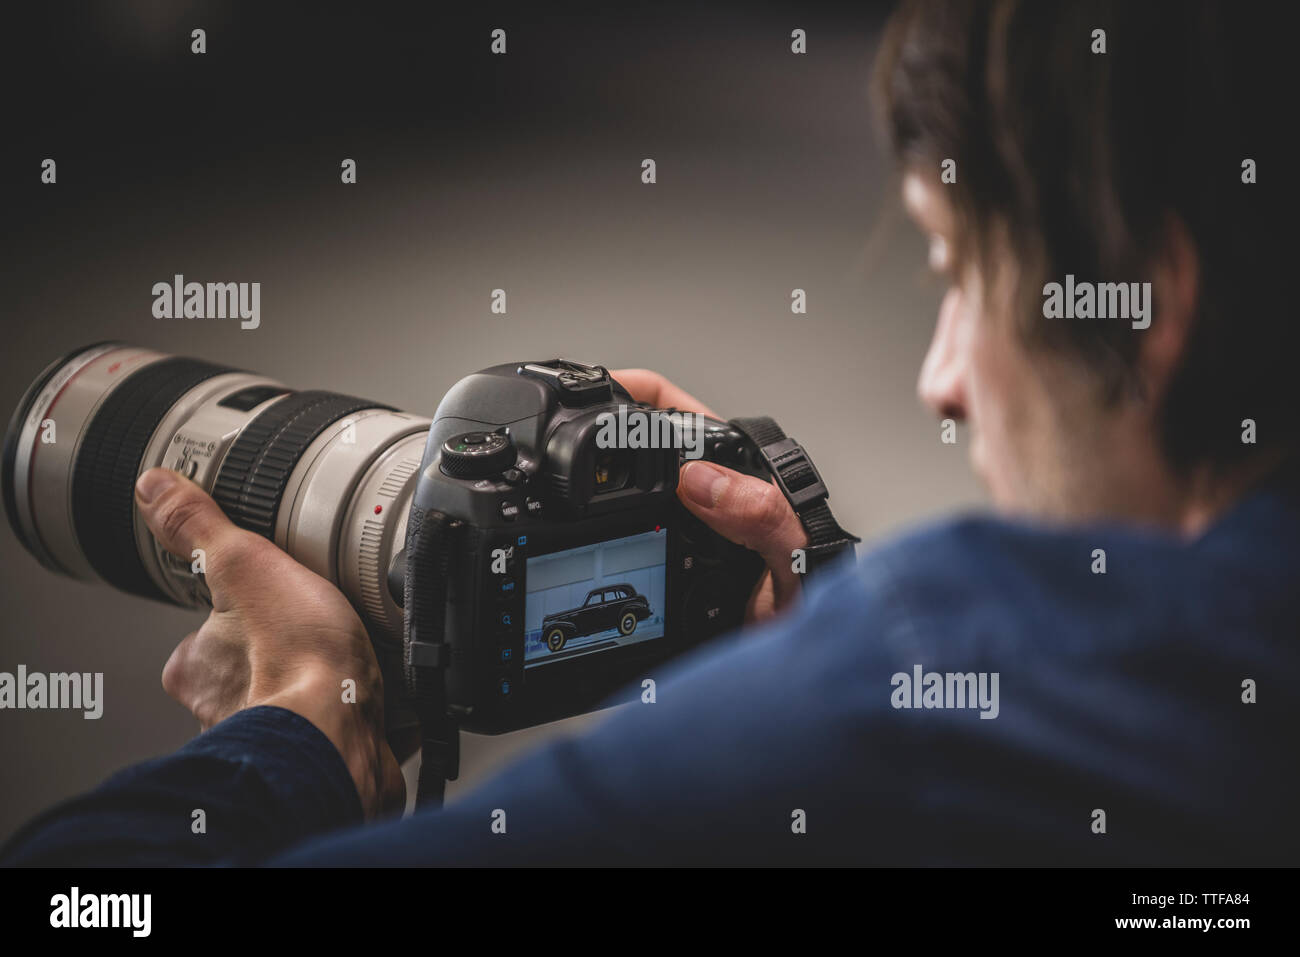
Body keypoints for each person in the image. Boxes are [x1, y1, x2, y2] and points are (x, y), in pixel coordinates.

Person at [3, 0, 1293, 866]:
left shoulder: (908, 715)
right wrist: (821, 610)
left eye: (963, 271)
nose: (940, 380)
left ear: (1143, 307)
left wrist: (288, 740)